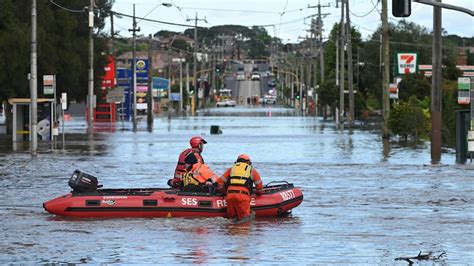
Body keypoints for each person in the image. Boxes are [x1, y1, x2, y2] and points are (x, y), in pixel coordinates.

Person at [214, 154, 264, 222]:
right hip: (242, 196)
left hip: (230, 195)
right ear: (248, 162)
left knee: (231, 219)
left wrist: (224, 192)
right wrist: (259, 192)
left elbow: (220, 184)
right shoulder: (251, 170)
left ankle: (232, 231)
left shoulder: (231, 169)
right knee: (245, 220)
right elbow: (259, 187)